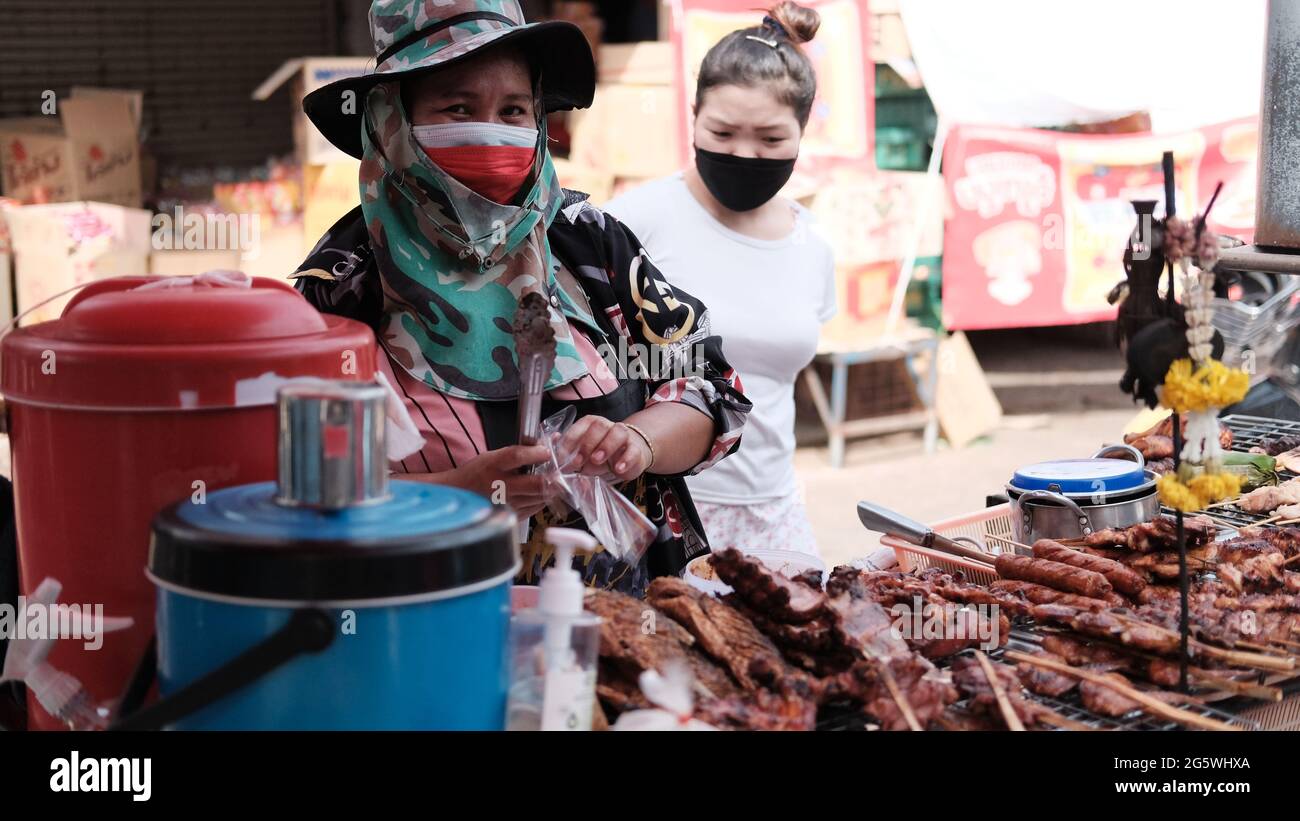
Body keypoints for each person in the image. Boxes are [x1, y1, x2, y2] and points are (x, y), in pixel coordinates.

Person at [294, 1, 751, 598]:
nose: (491, 130)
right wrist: (454, 494)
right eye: (458, 108)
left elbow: (707, 383)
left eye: (513, 110)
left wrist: (639, 441)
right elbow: (299, 493)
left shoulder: (586, 241)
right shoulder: (340, 285)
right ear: (390, 119)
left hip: (621, 640)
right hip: (421, 630)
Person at [605, 2, 835, 557]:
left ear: (803, 131)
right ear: (694, 118)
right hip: (655, 507)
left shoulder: (813, 246)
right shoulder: (631, 224)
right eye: (724, 131)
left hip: (775, 511)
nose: (744, 153)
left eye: (771, 139)